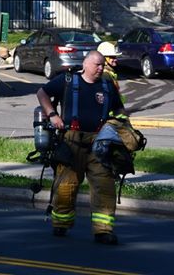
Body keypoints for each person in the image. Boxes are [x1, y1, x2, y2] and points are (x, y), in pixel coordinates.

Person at [36, 49, 125, 245]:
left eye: (102, 65)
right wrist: (52, 115)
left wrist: (122, 126)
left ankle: (104, 230)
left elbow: (119, 109)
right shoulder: (67, 81)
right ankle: (61, 223)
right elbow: (42, 93)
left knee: (104, 186)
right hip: (71, 140)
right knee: (67, 185)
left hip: (99, 142)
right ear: (85, 65)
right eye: (97, 65)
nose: (100, 68)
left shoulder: (107, 85)